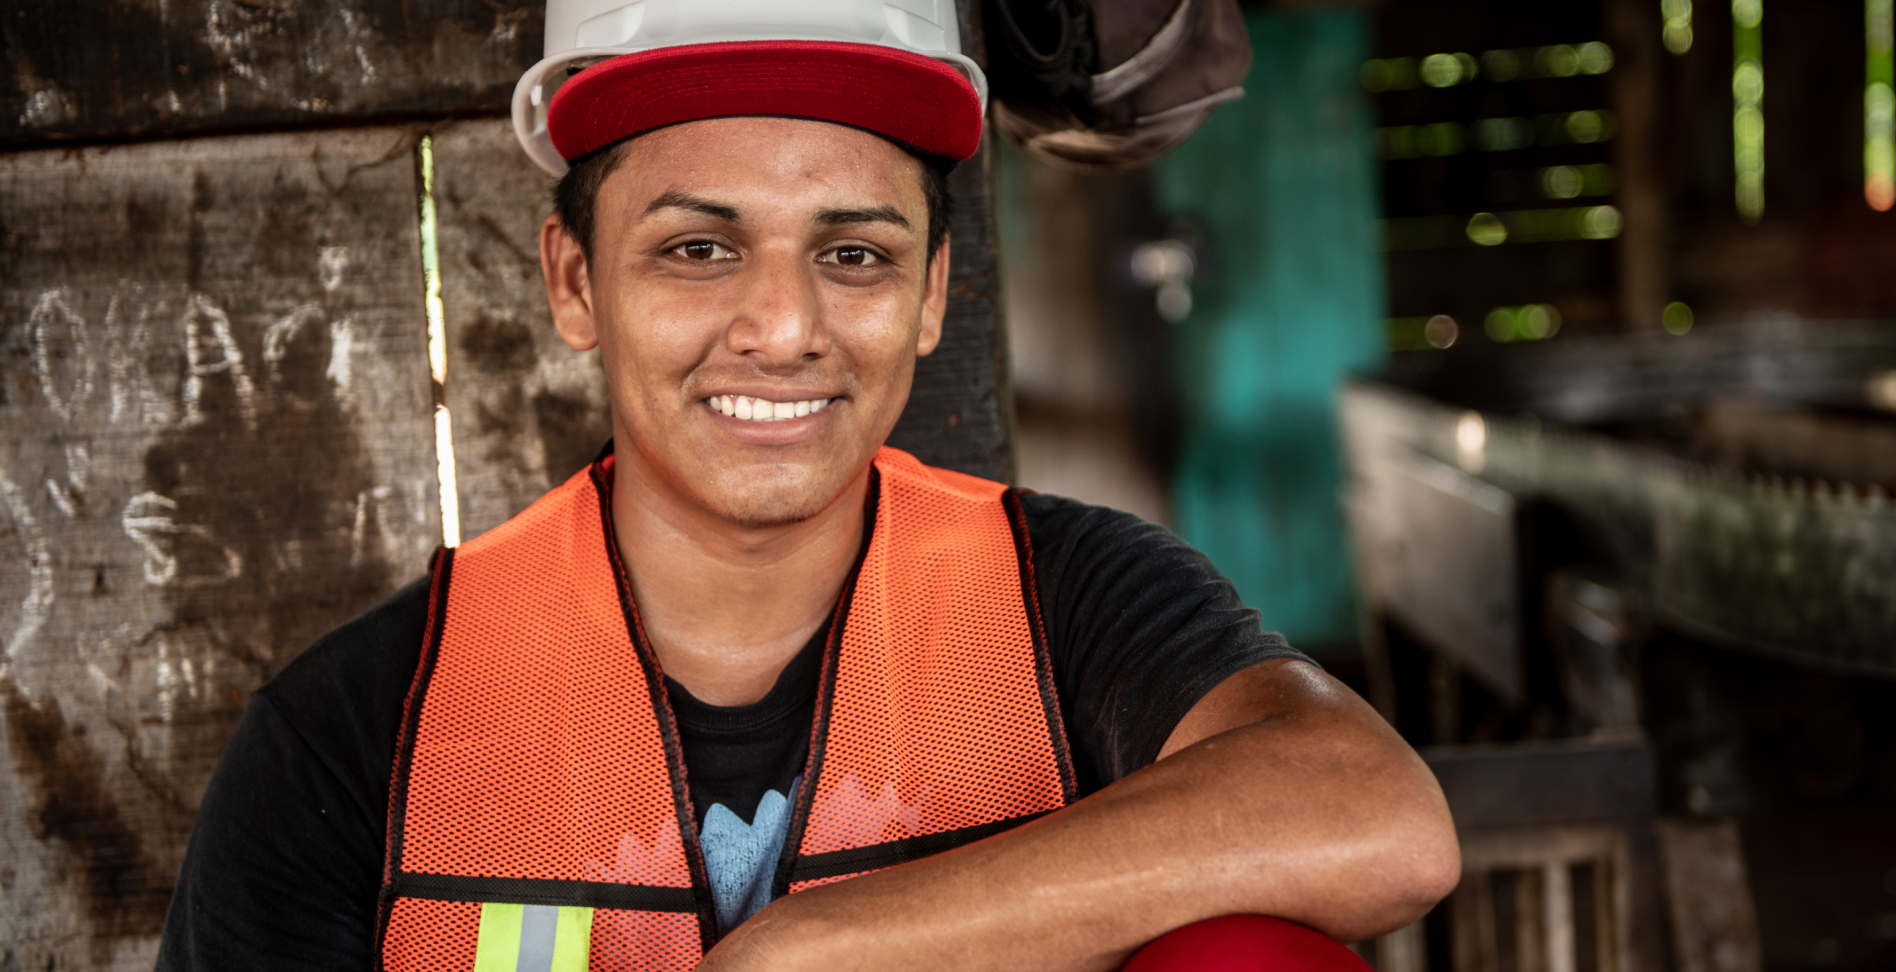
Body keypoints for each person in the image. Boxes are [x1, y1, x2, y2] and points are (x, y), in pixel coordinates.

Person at [156, 7, 1458, 970]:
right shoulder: (355, 735)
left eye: (852, 252)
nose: (783, 327)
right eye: (699, 247)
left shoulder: (1070, 600)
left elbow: (1377, 820)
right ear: (572, 282)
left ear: (933, 293)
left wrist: (818, 946)